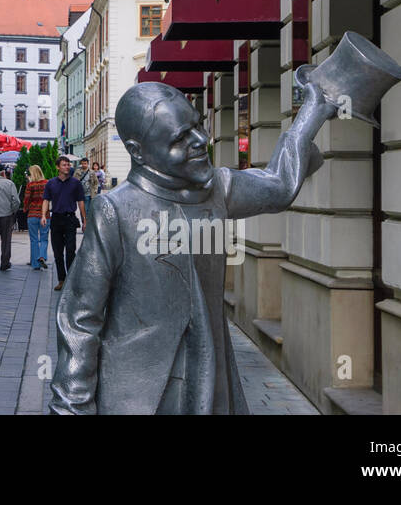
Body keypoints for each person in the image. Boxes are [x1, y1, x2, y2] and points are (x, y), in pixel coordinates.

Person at [49, 79, 339, 414]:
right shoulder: (114, 210)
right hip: (138, 393)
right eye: (180, 138)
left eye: (198, 126)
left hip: (210, 384)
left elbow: (277, 185)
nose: (201, 141)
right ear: (138, 150)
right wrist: (72, 404)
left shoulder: (218, 188)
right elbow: (79, 317)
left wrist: (314, 108)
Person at [41, 155, 86, 291]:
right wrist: (43, 215)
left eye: (68, 165)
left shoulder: (75, 183)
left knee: (71, 250)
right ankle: (62, 279)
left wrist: (85, 220)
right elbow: (46, 200)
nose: (67, 167)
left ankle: (71, 280)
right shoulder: (51, 183)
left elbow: (81, 202)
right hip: (56, 219)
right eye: (64, 165)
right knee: (57, 251)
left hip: (70, 219)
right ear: (58, 167)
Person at [23, 165, 50, 270]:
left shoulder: (30, 185)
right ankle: (42, 256)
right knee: (44, 238)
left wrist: (25, 209)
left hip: (32, 215)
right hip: (45, 215)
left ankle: (35, 263)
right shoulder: (47, 183)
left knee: (34, 240)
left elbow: (26, 199)